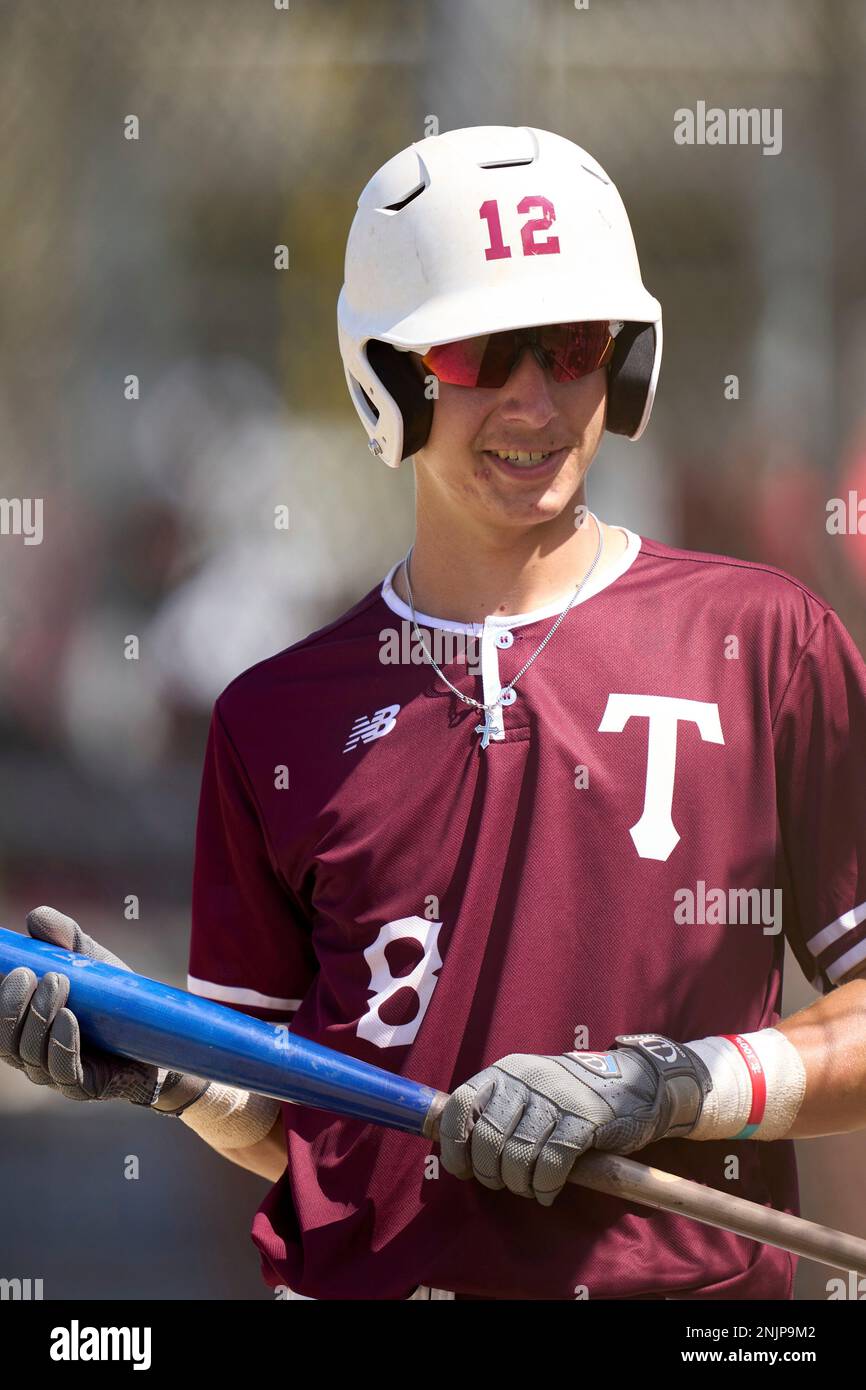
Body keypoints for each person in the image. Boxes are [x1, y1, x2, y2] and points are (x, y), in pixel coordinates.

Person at [3, 125, 866, 1302]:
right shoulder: (274, 718)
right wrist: (164, 1063)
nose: (533, 397)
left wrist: (674, 1081)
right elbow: (294, 1128)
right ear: (388, 375)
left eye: (569, 347)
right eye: (478, 353)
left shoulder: (763, 641)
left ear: (624, 365)